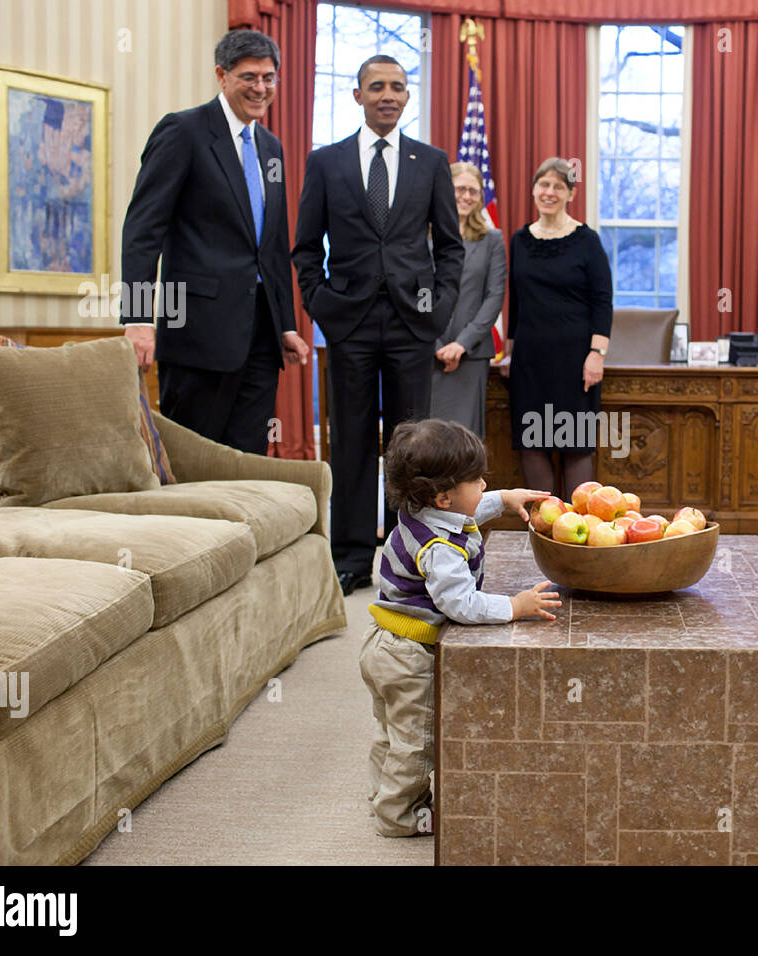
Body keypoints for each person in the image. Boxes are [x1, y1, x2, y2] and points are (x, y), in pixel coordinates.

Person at [293, 55, 464, 596]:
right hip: (349, 324)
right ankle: (347, 556)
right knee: (350, 440)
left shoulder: (431, 161)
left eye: (397, 87)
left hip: (414, 323)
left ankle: (407, 553)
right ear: (358, 94)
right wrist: (324, 306)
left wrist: (437, 311)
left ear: (407, 97)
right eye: (377, 87)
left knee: (414, 447)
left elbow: (451, 249)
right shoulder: (327, 163)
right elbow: (303, 250)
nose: (387, 95)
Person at [361, 418, 560, 836]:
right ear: (444, 495)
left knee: (390, 730)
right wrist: (514, 605)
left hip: (382, 643)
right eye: (477, 481)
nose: (485, 485)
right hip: (409, 657)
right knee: (416, 742)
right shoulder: (439, 551)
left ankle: (382, 791)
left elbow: (465, 510)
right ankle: (399, 817)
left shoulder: (422, 511)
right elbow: (460, 603)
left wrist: (504, 499)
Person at [120, 29, 310, 453]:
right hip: (196, 334)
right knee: (192, 460)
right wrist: (137, 318)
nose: (261, 88)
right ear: (222, 76)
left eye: (269, 78)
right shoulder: (183, 131)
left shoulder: (272, 149)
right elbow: (142, 229)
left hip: (260, 338)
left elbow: (274, 246)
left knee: (246, 464)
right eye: (249, 77)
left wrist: (286, 324)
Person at [501, 157, 613, 496]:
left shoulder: (586, 240)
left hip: (575, 359)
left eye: (558, 186)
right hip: (530, 360)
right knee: (533, 444)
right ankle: (546, 530)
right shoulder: (520, 239)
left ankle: (575, 537)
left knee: (574, 444)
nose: (549, 192)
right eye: (543, 185)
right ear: (534, 190)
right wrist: (509, 352)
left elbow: (603, 299)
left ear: (570, 194)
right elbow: (516, 300)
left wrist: (597, 353)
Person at [429, 162, 507, 436]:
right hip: (427, 351)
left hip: (471, 355)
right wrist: (436, 342)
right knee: (427, 438)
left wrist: (461, 345)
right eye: (460, 189)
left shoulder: (492, 239)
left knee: (465, 439)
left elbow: (494, 296)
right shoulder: (422, 237)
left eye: (473, 191)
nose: (466, 196)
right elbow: (417, 293)